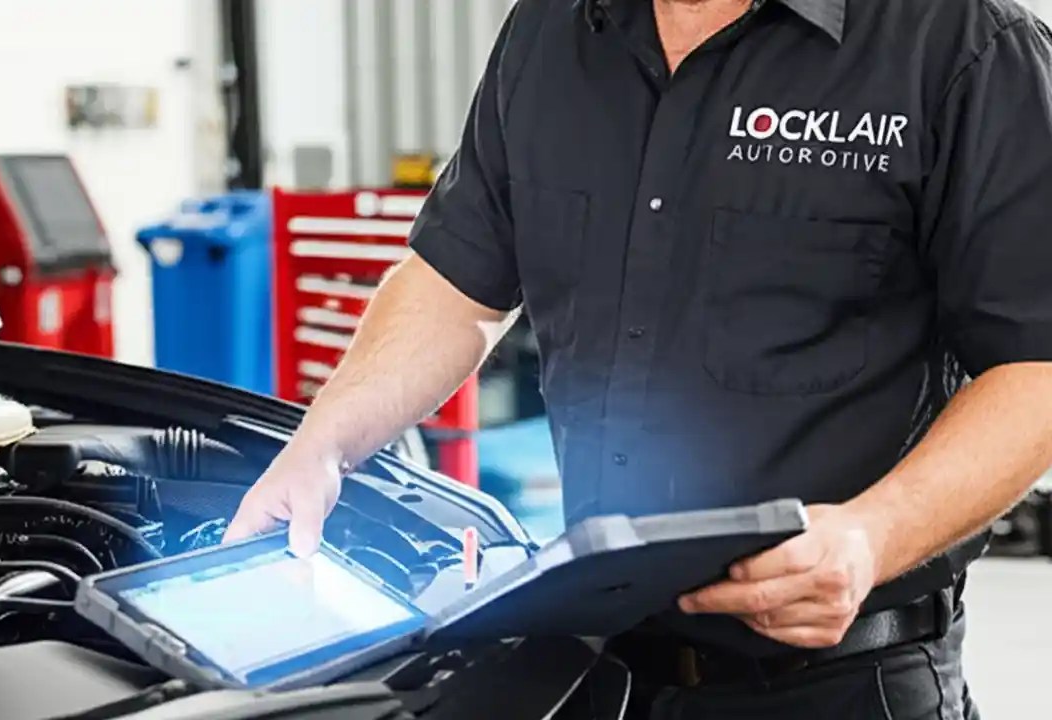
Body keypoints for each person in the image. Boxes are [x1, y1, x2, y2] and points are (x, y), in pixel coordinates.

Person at [228, 0, 1052, 716]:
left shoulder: (964, 48)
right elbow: (454, 283)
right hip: (593, 667)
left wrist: (874, 536)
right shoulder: (547, 35)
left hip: (841, 681)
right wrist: (321, 444)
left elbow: (1037, 368)